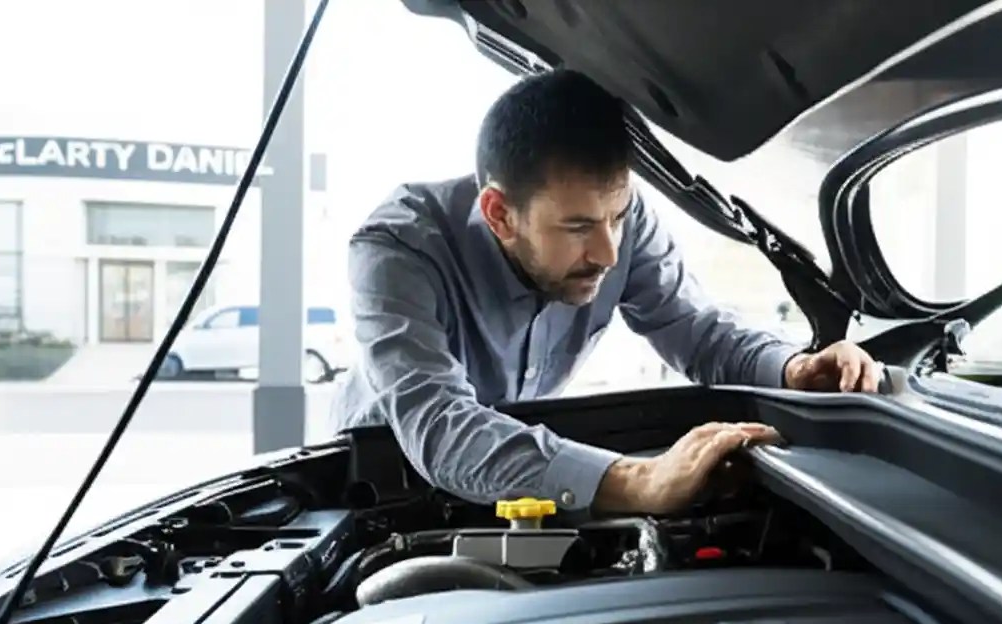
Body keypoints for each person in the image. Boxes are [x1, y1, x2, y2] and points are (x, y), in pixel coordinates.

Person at [329, 69, 882, 516]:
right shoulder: (398, 248)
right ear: (500, 214)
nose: (610, 252)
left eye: (617, 216)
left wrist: (792, 370)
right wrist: (639, 480)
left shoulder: (618, 218)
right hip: (383, 493)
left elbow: (692, 326)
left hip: (529, 483)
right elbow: (439, 422)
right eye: (577, 228)